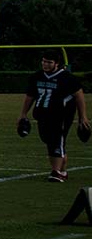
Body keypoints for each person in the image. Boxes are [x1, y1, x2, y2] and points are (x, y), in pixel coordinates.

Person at [18, 53, 90, 182]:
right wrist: (23, 114)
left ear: (57, 63)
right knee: (49, 141)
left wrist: (82, 117)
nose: (45, 64)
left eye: (49, 62)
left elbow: (79, 95)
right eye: (44, 61)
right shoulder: (37, 76)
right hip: (42, 114)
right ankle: (61, 171)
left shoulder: (66, 77)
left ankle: (56, 172)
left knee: (57, 141)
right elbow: (30, 96)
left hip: (61, 114)